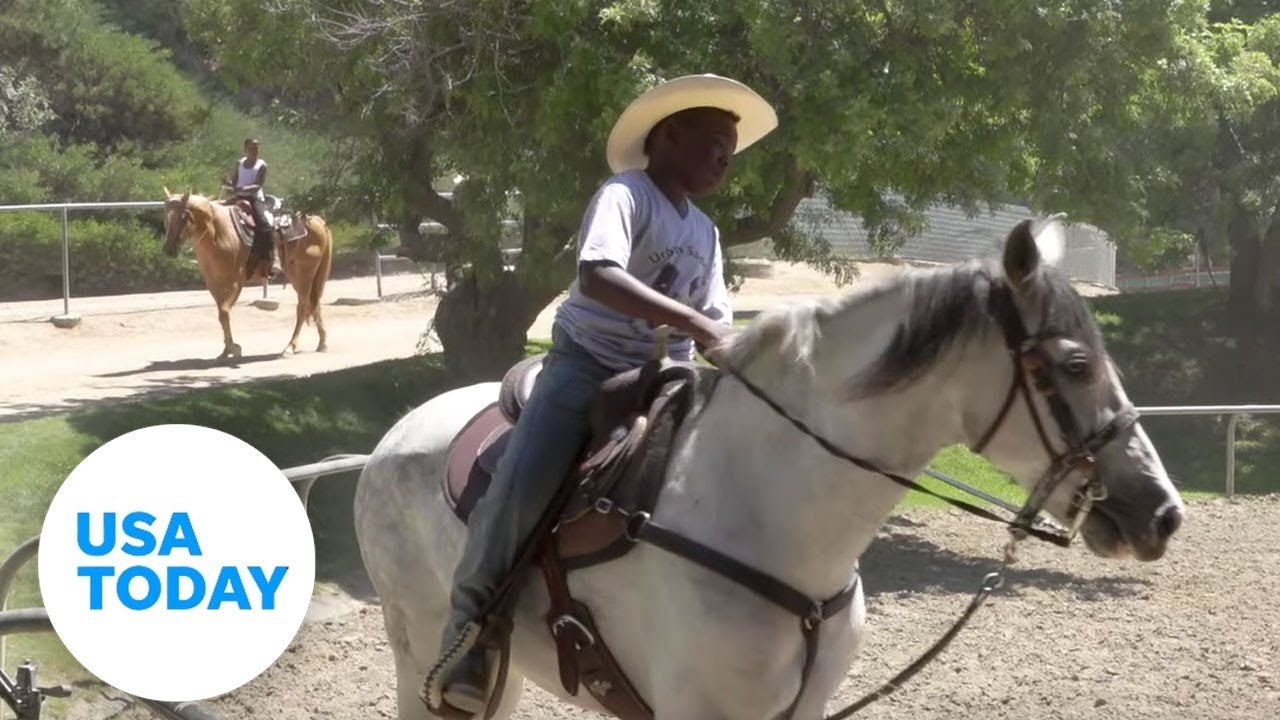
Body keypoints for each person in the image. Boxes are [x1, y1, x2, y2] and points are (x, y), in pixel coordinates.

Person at [430, 73, 778, 716]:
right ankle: (469, 638)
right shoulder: (626, 195)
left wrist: (744, 354)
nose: (726, 160)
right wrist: (695, 322)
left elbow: (716, 316)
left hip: (670, 382)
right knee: (517, 494)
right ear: (669, 135)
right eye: (715, 144)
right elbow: (597, 275)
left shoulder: (705, 232)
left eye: (731, 151)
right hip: (588, 370)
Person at [222, 138, 280, 277]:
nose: (254, 151)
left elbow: (257, 185)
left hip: (254, 198)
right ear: (245, 149)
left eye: (256, 148)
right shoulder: (240, 163)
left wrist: (239, 188)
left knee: (265, 225)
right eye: (251, 148)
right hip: (239, 197)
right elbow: (235, 181)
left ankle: (272, 259)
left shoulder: (261, 165)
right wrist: (228, 183)